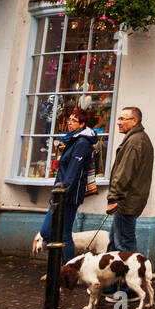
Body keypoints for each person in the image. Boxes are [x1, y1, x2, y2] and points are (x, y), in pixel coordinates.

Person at [39, 107, 97, 263]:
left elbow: (73, 171)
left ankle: (68, 269)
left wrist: (62, 194)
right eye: (69, 119)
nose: (69, 123)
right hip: (61, 192)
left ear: (82, 124)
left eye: (74, 121)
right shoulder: (73, 139)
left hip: (68, 195)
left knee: (61, 233)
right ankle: (62, 267)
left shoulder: (82, 142)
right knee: (51, 232)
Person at [106, 106, 154, 254]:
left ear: (135, 121)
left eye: (122, 119)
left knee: (124, 247)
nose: (119, 122)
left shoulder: (134, 141)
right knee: (115, 245)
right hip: (128, 200)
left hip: (126, 201)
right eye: (119, 118)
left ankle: (132, 276)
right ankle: (113, 277)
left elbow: (123, 174)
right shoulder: (138, 139)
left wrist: (113, 198)